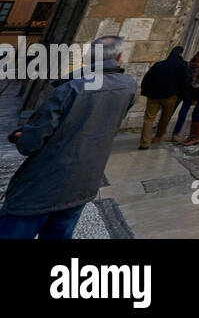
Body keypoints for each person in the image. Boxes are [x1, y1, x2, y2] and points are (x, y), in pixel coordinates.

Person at [0, 36, 136, 238]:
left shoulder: (70, 88)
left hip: (44, 182)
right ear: (119, 56)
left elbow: (30, 144)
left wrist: (21, 135)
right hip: (84, 180)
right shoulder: (129, 86)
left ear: (86, 57)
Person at [138, 45, 189, 149]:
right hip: (170, 97)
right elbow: (184, 82)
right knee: (165, 118)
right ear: (180, 54)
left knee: (149, 118)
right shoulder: (182, 66)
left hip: (154, 95)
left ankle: (144, 143)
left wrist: (145, 90)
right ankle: (159, 136)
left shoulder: (159, 65)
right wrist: (181, 94)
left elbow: (148, 78)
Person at [170, 49, 199, 142]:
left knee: (181, 113)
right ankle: (170, 133)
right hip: (184, 91)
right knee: (174, 111)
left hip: (188, 93)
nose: (198, 65)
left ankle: (174, 133)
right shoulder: (189, 65)